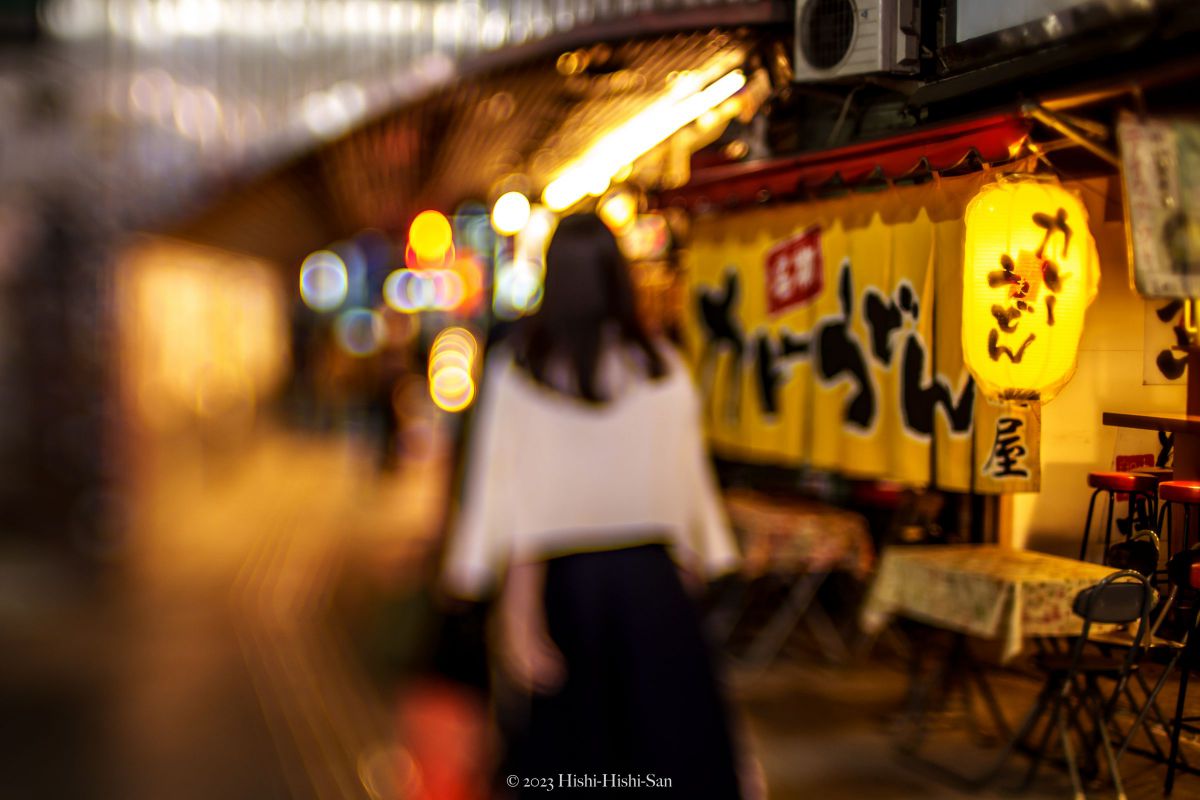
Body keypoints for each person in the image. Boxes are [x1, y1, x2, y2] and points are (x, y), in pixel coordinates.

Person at [441, 213, 744, 798]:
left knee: (574, 758)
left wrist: (481, 583)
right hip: (653, 584)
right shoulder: (661, 367)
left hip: (564, 588)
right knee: (666, 749)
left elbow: (499, 486)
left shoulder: (520, 369)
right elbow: (686, 482)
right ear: (618, 276)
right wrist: (706, 561)